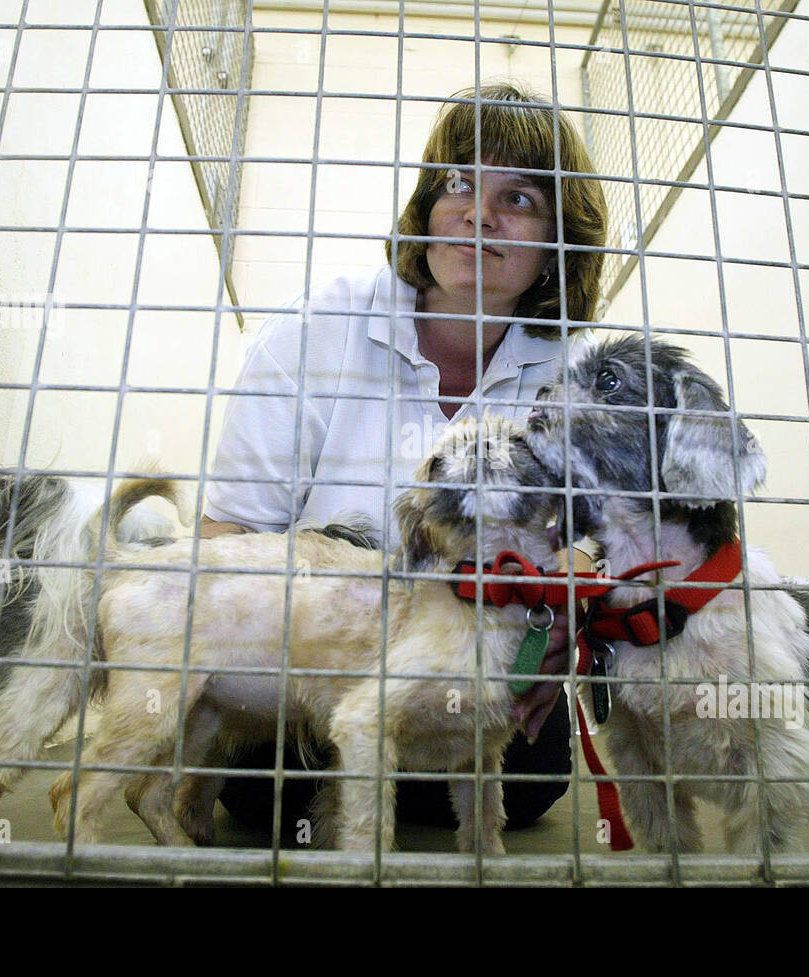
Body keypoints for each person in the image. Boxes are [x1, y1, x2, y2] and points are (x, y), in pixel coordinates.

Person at [200, 81, 608, 837]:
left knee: (525, 783)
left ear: (560, 243)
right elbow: (226, 535)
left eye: (517, 198)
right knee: (268, 797)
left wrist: (561, 611)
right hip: (314, 670)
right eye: (457, 183)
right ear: (426, 203)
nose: (477, 212)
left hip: (482, 670)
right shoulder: (313, 330)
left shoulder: (575, 376)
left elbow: (599, 546)